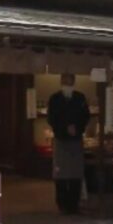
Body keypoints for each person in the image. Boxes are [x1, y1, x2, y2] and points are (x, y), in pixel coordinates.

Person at [47, 74, 90, 215]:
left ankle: (74, 204)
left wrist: (77, 128)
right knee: (60, 174)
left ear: (74, 83)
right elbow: (51, 118)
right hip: (60, 139)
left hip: (76, 139)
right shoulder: (54, 99)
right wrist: (64, 128)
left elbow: (86, 116)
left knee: (75, 173)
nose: (68, 85)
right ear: (61, 82)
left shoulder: (80, 98)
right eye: (65, 82)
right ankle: (62, 204)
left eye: (70, 83)